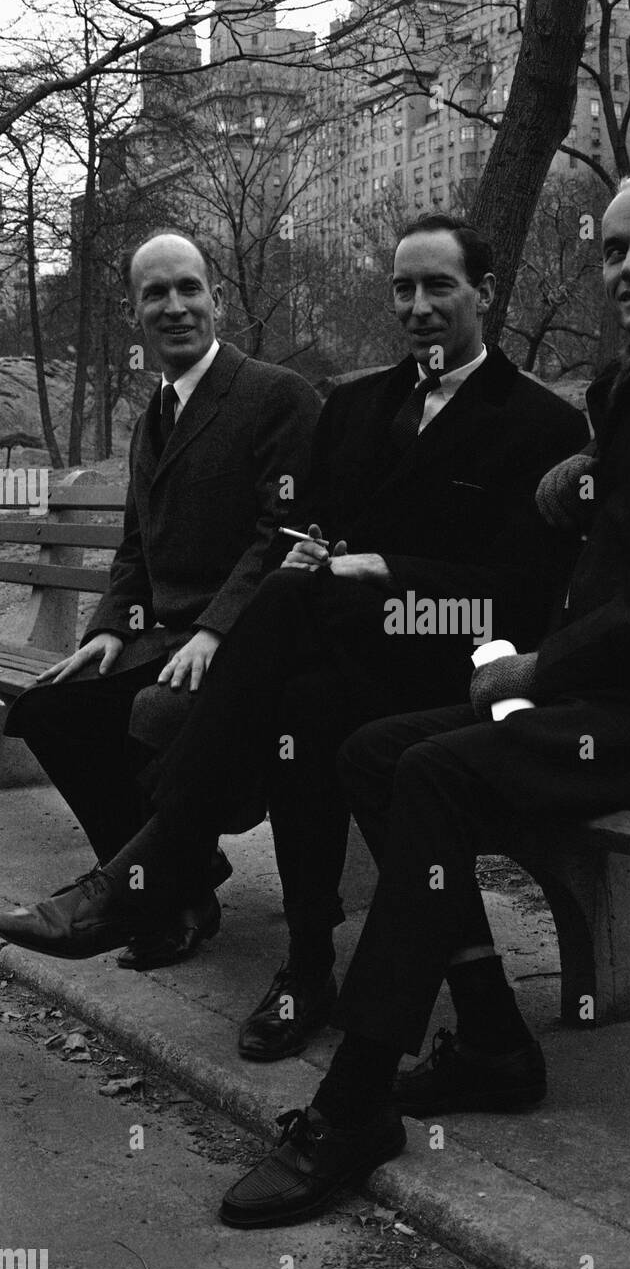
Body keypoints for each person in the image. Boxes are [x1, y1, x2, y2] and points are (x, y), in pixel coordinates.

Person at [212, 167, 630, 1228]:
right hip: (616, 700)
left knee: (436, 770)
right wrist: (587, 470)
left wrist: (539, 669)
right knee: (369, 750)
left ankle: (355, 1101)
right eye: (614, 249)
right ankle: (494, 1034)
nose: (629, 265)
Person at [0, 216, 585, 1063]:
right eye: (402, 289)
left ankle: (154, 875)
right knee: (300, 707)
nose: (417, 307)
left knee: (293, 671)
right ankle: (304, 966)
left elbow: (524, 601)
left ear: (486, 294)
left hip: (451, 655)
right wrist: (322, 552)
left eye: (439, 287)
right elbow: (306, 525)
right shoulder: (356, 406)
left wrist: (383, 568)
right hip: (337, 650)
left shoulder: (542, 426)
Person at [2, 230, 319, 966]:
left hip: (246, 645)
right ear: (132, 313)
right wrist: (112, 626)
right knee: (45, 710)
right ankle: (180, 884)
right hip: (162, 643)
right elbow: (138, 546)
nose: (176, 307)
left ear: (218, 298)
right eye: (156, 294)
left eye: (189, 288)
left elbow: (286, 531)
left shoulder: (275, 396)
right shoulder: (156, 414)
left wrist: (215, 629)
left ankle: (147, 893)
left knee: (151, 714)